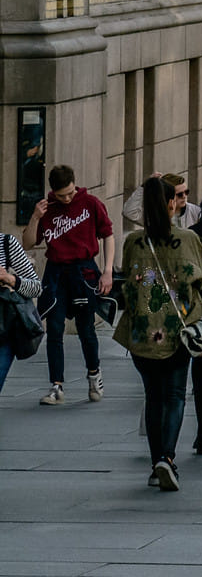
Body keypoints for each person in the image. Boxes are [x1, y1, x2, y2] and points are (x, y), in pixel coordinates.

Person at [114, 177, 202, 491]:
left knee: (153, 397)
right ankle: (166, 457)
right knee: (175, 395)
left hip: (142, 331)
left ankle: (157, 463)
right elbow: (200, 279)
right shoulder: (189, 239)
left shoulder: (133, 242)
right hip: (177, 329)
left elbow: (127, 279)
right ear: (171, 204)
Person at [29, 164, 114, 406]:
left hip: (84, 271)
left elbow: (108, 234)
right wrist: (35, 217)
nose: (66, 199)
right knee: (54, 329)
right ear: (52, 191)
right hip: (56, 272)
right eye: (61, 195)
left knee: (85, 328)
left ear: (75, 185)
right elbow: (28, 242)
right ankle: (57, 386)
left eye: (69, 193)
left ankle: (94, 374)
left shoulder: (90, 203)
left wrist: (107, 271)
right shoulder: (47, 209)